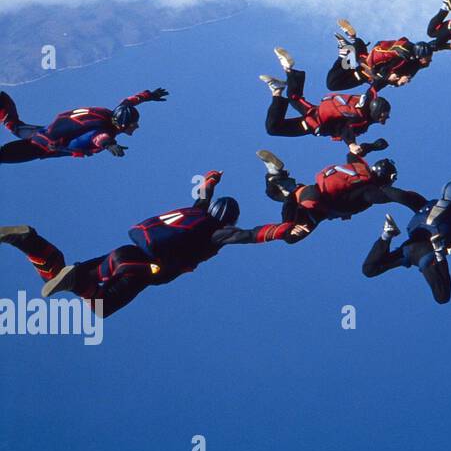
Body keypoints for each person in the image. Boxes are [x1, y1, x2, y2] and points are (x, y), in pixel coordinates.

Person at [1, 171, 274, 317]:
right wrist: (283, 230)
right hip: (142, 269)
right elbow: (247, 235)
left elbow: (203, 193)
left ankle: (28, 242)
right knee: (99, 307)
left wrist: (212, 178)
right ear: (229, 221)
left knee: (61, 271)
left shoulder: (198, 214)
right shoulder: (215, 235)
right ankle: (72, 282)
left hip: (127, 252)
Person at [244, 146, 425, 244]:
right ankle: (283, 188)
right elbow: (397, 195)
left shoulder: (359, 168)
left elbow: (352, 152)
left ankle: (276, 174)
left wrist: (373, 146)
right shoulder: (369, 190)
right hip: (315, 204)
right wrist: (423, 207)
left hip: (308, 190)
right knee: (290, 236)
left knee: (275, 194)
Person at [260, 47, 389, 149]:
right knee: (278, 121)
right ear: (376, 111)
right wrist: (352, 144)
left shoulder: (367, 102)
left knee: (292, 101)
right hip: (314, 121)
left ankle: (281, 84)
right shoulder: (363, 121)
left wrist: (390, 78)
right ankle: (286, 74)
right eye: (384, 115)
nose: (386, 118)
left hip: (317, 114)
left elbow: (374, 88)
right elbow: (347, 129)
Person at [0, 87, 167, 165]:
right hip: (41, 145)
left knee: (14, 126)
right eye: (133, 125)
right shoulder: (104, 129)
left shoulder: (111, 114)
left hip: (44, 132)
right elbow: (96, 137)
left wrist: (147, 96)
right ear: (122, 125)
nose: (136, 127)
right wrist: (109, 144)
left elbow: (127, 102)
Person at [329, 19, 435, 91]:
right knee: (333, 84)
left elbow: (437, 44)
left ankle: (353, 40)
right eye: (428, 58)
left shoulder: (412, 60)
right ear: (420, 56)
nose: (430, 61)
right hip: (367, 70)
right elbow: (381, 69)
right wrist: (388, 78)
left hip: (368, 63)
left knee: (355, 57)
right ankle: (347, 51)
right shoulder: (406, 59)